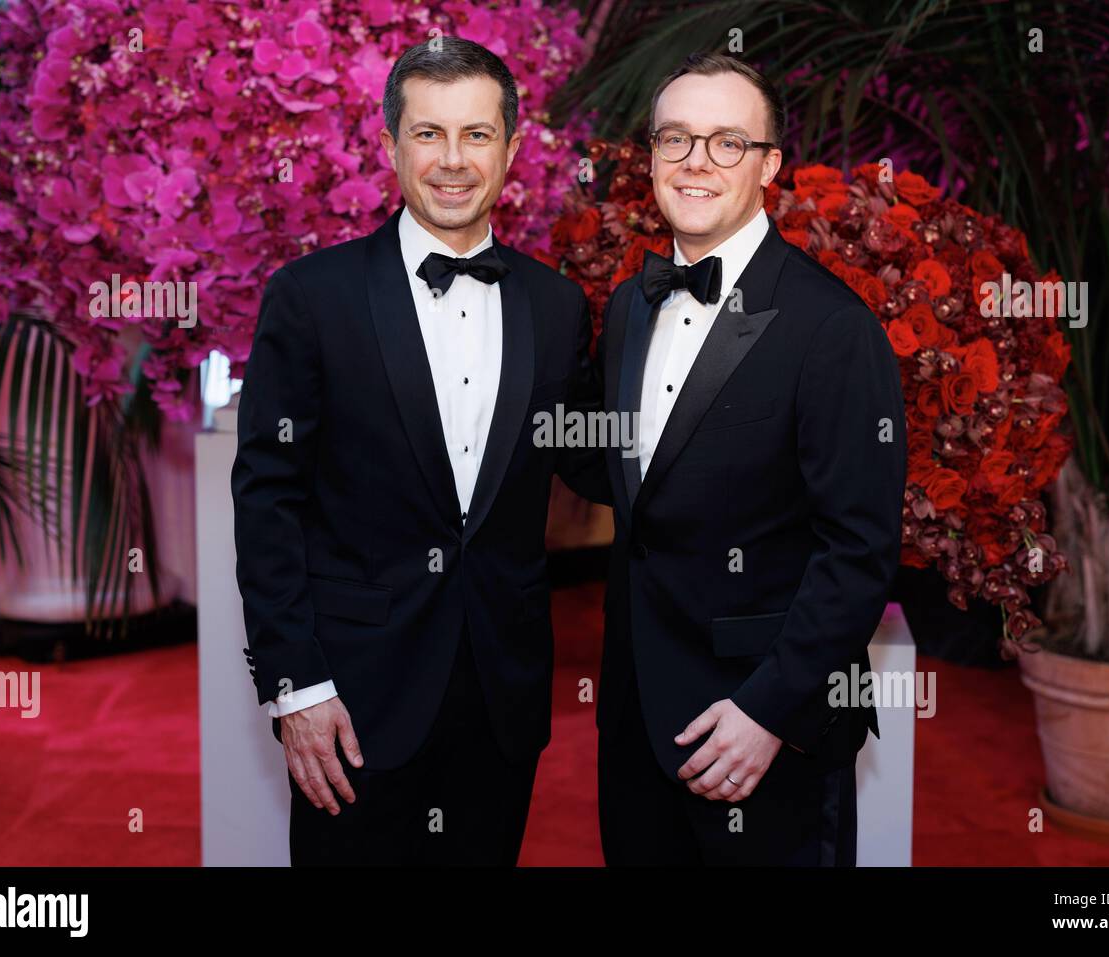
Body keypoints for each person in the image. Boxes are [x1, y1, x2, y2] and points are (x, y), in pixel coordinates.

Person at [231, 36, 603, 866]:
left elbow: (593, 460)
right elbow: (266, 500)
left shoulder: (556, 306)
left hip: (500, 695)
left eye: (476, 134)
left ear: (512, 149)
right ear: (391, 144)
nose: (452, 160)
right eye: (428, 133)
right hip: (352, 699)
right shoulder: (311, 298)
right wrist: (296, 683)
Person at [593, 53, 906, 866]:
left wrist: (768, 711)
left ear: (769, 166)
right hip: (633, 719)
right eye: (676, 139)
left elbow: (860, 550)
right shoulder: (631, 304)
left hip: (764, 729)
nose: (697, 161)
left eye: (727, 142)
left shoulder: (833, 328)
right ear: (651, 157)